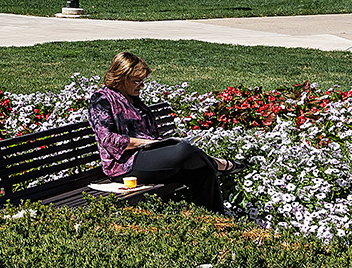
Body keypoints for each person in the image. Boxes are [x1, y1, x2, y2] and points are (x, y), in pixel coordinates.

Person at [86, 51, 241, 214]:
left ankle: (215, 223)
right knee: (184, 150)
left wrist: (159, 145)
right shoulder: (102, 99)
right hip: (126, 166)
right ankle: (218, 163)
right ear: (122, 77)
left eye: (143, 81)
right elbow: (108, 139)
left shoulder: (133, 99)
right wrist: (146, 143)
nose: (142, 86)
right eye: (137, 81)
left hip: (149, 156)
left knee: (203, 171)